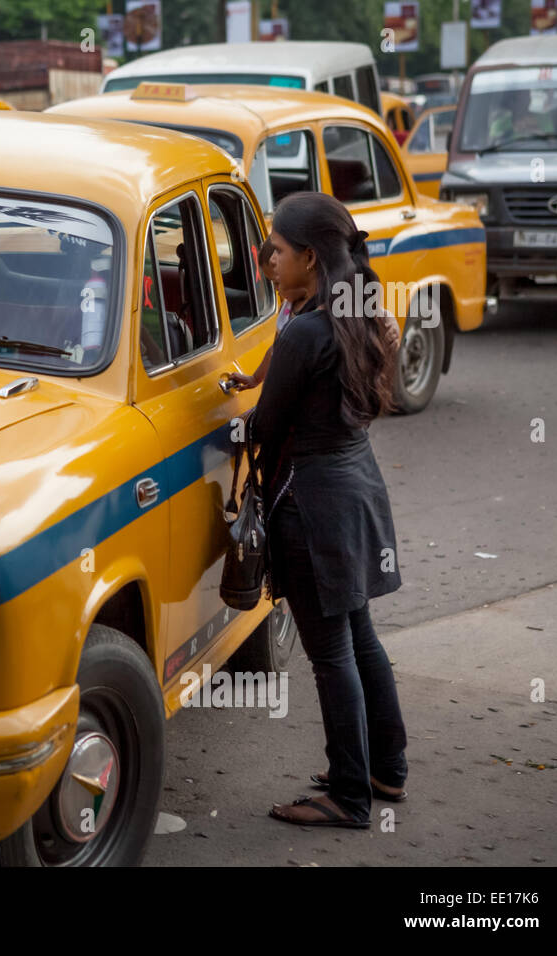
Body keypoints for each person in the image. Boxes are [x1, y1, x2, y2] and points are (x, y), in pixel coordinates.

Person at [253, 191, 409, 829]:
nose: (266, 258)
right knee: (360, 638)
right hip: (358, 492)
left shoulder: (308, 332)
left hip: (312, 510)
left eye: (278, 249)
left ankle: (348, 796)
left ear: (311, 258)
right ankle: (384, 771)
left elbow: (265, 427)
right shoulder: (361, 314)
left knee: (332, 654)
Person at [227, 236, 303, 390]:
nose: (276, 289)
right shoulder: (285, 309)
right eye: (272, 284)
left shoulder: (314, 309)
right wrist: (255, 378)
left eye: (277, 282)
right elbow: (276, 349)